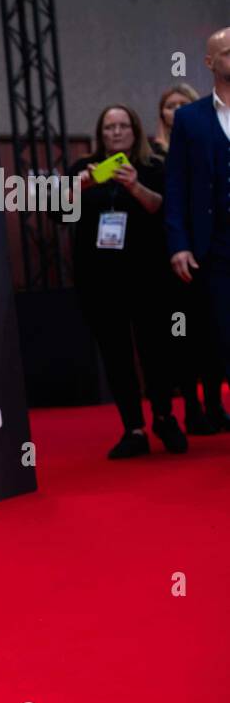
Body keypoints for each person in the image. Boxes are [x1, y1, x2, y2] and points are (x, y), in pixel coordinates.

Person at [68, 104, 187, 458]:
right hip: (100, 278)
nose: (116, 132)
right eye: (109, 127)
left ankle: (165, 417)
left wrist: (134, 186)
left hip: (148, 275)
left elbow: (164, 209)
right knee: (116, 353)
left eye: (122, 126)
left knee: (156, 352)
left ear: (135, 130)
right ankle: (132, 428)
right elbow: (57, 213)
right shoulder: (83, 169)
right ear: (100, 133)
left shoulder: (153, 167)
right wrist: (80, 187)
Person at [168, 26, 230, 428]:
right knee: (223, 334)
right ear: (210, 62)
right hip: (216, 246)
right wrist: (178, 242)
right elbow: (176, 185)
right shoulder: (190, 119)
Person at [150, 83, 200, 159]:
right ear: (162, 115)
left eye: (184, 105)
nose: (178, 110)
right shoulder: (151, 150)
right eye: (170, 107)